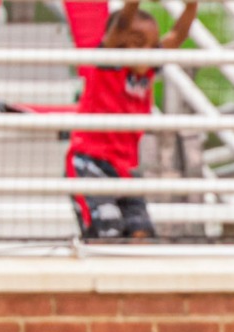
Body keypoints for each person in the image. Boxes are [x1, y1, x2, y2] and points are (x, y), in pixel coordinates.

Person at [66, 0, 197, 240]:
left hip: (125, 165)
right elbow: (123, 23)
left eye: (151, 45)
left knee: (141, 232)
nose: (146, 51)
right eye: (137, 42)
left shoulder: (146, 70)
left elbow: (177, 35)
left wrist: (190, 7)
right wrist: (132, 4)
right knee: (108, 231)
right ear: (119, 43)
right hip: (90, 162)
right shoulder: (108, 64)